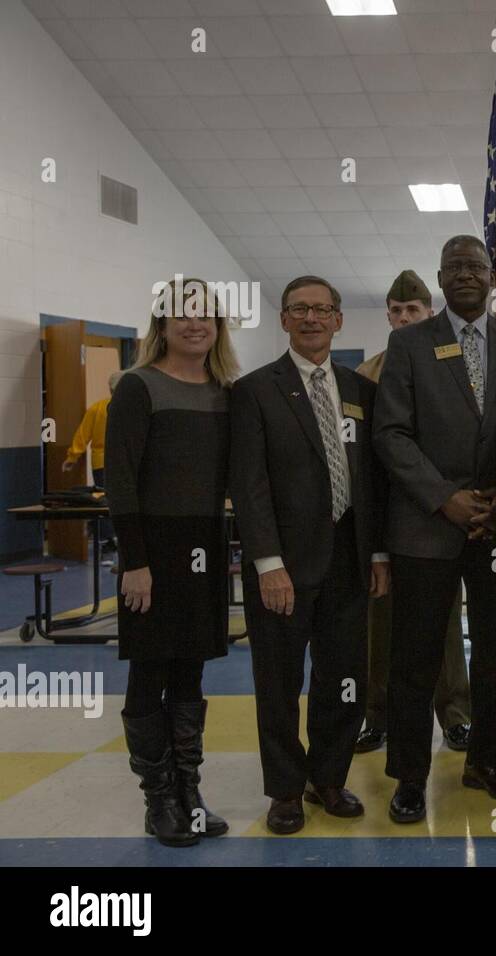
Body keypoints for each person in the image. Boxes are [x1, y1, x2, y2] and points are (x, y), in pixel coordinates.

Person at [374, 235, 496, 821]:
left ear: (491, 278)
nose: (467, 274)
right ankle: (410, 777)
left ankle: (488, 762)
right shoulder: (408, 344)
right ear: (441, 277)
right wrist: (443, 496)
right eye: (456, 267)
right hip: (427, 527)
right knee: (416, 658)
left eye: (477, 265)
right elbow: (390, 434)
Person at [230, 276, 389, 834]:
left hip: (349, 560)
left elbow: (369, 479)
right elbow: (249, 487)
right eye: (301, 309)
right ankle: (285, 791)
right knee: (278, 682)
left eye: (323, 310)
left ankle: (328, 778)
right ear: (284, 319)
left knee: (344, 677)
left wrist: (378, 552)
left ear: (339, 320)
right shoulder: (253, 391)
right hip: (285, 570)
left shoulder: (359, 392)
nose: (312, 319)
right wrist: (268, 565)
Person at [106, 277, 238, 848]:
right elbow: (121, 481)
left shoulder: (225, 391)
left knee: (190, 672)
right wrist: (134, 562)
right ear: (161, 324)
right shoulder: (136, 387)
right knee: (149, 671)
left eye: (205, 316)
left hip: (204, 547)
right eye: (182, 315)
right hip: (151, 553)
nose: (195, 325)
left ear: (218, 326)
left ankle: (190, 792)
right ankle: (157, 800)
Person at [355, 270, 472, 755]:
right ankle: (377, 716)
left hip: (432, 512)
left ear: (429, 313)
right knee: (379, 624)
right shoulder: (364, 376)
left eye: (414, 311)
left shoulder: (444, 366)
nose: (404, 318)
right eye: (397, 310)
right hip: (382, 514)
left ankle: (457, 715)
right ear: (387, 314)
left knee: (441, 623)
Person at [64, 370, 123, 553]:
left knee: (103, 501)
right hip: (126, 462)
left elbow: (83, 435)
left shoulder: (97, 408)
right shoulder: (132, 408)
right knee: (124, 501)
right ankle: (123, 540)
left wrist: (72, 457)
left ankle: (107, 542)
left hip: (101, 463)